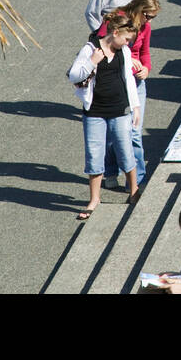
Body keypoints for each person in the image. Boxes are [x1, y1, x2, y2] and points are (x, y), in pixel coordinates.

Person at [68, 11, 141, 219]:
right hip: (95, 111)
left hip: (119, 109)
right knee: (94, 153)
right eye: (126, 38)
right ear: (115, 32)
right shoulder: (91, 49)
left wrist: (135, 106)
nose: (127, 43)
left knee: (125, 149)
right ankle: (94, 199)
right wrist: (92, 61)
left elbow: (128, 79)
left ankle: (134, 190)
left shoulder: (124, 52)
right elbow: (74, 75)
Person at [98, 0, 159, 189]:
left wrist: (146, 68)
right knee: (114, 132)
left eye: (152, 18)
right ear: (138, 9)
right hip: (116, 81)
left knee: (134, 132)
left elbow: (145, 52)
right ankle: (110, 172)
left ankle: (137, 180)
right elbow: (100, 44)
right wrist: (124, 57)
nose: (148, 21)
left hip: (136, 82)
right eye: (147, 16)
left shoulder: (146, 27)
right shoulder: (118, 20)